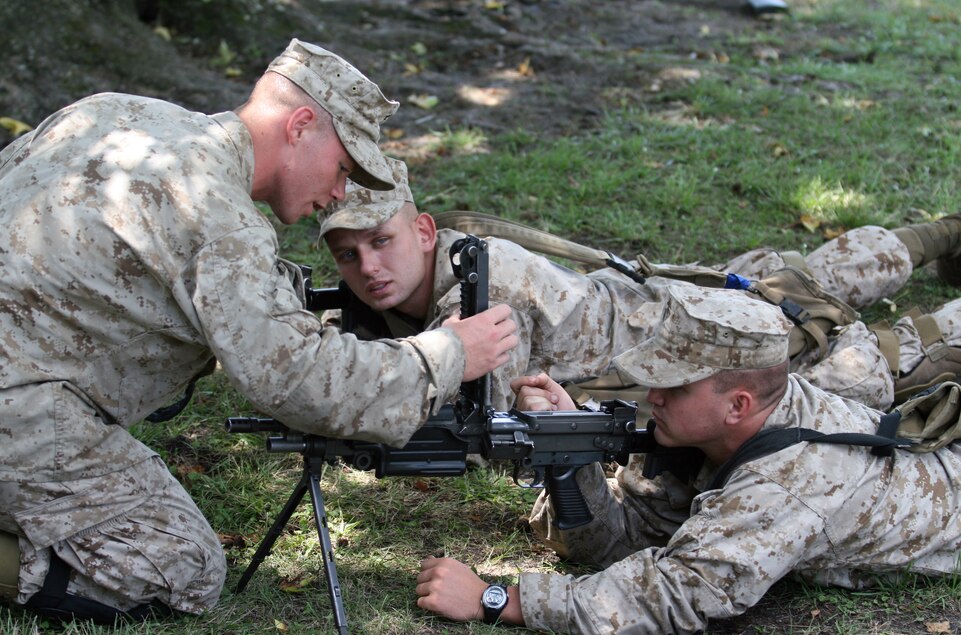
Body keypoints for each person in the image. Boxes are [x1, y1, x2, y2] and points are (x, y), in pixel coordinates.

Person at [0, 39, 518, 621]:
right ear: (300, 126)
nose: (341, 193)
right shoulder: (219, 219)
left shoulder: (116, 115)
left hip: (22, 379)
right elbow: (302, 382)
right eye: (344, 167)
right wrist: (446, 355)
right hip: (17, 412)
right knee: (182, 567)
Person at [413, 283, 961, 635]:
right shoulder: (710, 429)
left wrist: (498, 599)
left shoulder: (786, 485)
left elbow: (676, 595)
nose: (653, 396)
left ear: (737, 406)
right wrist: (569, 438)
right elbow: (617, 541)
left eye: (674, 386)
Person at [319, 157, 961, 411]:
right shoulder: (437, 266)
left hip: (684, 342)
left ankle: (944, 264)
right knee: (801, 277)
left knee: (859, 352)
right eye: (348, 255)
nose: (369, 268)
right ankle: (944, 234)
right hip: (648, 306)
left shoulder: (480, 295)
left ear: (425, 231)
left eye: (383, 242)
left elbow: (476, 414)